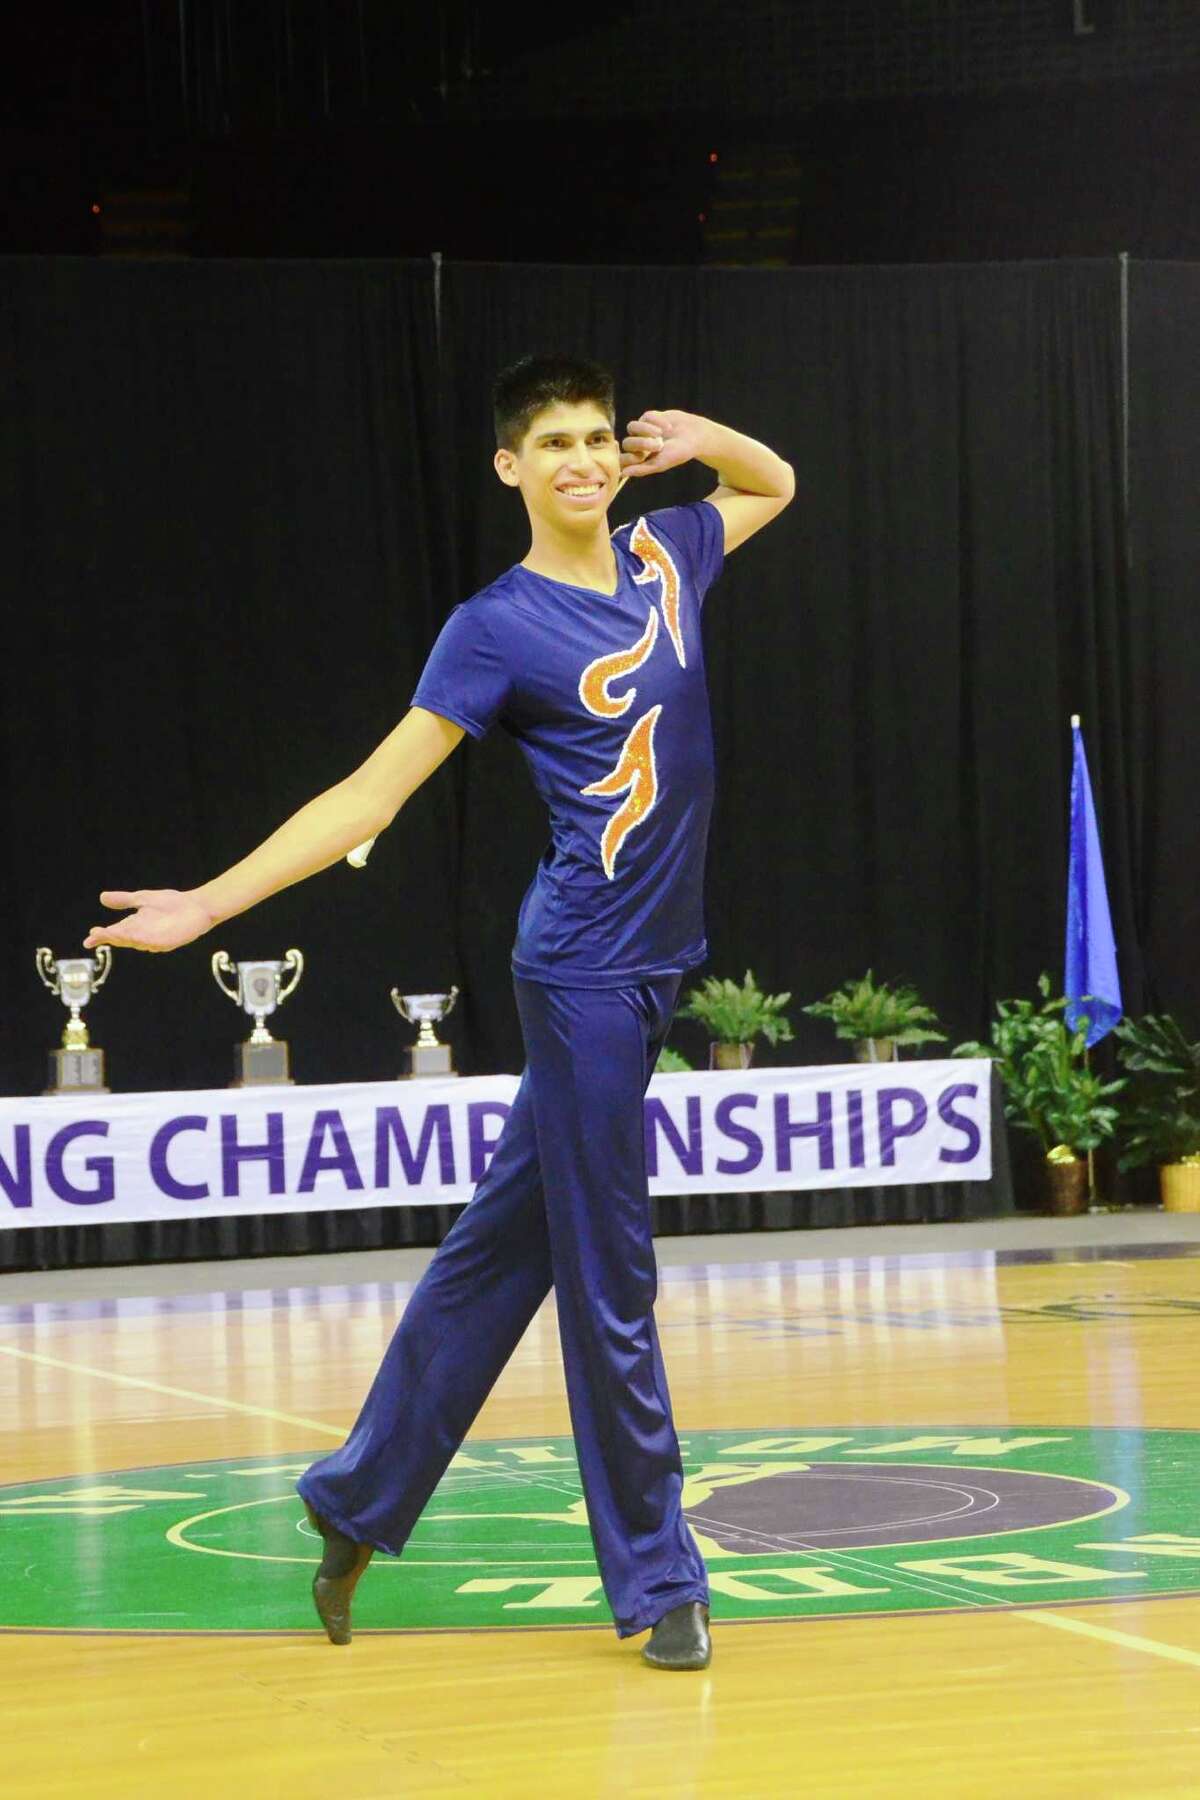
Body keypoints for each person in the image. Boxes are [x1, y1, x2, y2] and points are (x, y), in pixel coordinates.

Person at [85, 353, 794, 1670]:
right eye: (556, 445)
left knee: (503, 1251)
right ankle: (658, 1578)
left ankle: (356, 1500)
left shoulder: (670, 554)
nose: (584, 459)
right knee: (612, 1272)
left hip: (654, 966)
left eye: (599, 437)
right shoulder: (494, 625)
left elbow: (777, 481)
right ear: (510, 470)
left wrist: (702, 435)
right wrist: (208, 906)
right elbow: (367, 798)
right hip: (579, 972)